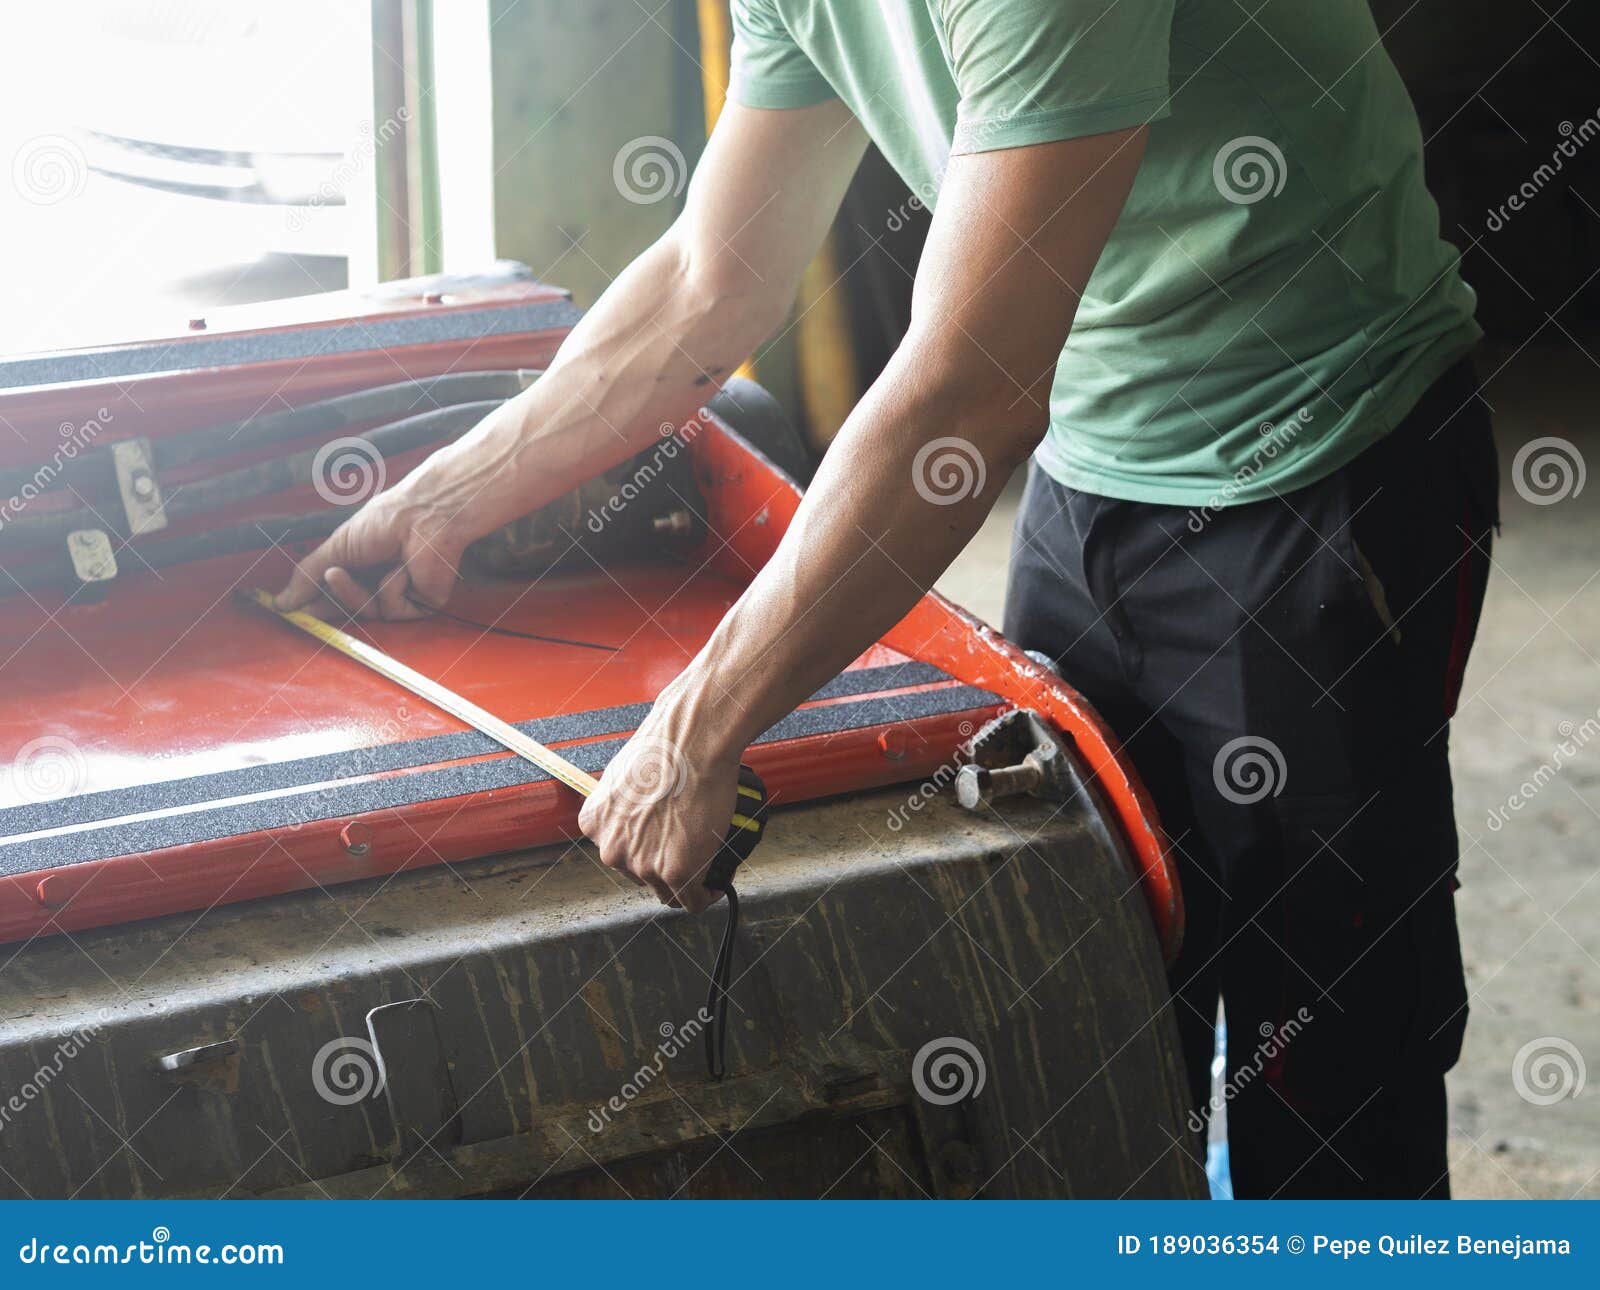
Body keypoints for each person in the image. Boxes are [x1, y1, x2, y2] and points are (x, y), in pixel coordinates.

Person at [276, 2, 1493, 1198]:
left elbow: (970, 390)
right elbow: (712, 276)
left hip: (1323, 464)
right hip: (1091, 457)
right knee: (1107, 988)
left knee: (1327, 1074)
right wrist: (446, 496)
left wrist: (700, 728)